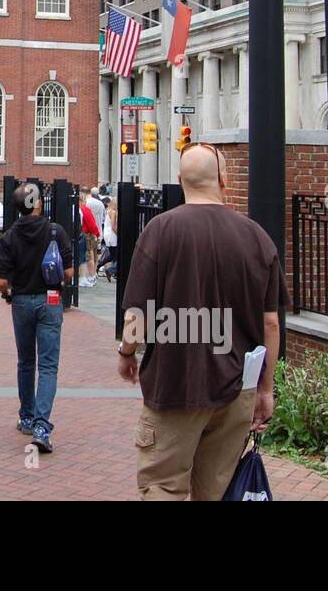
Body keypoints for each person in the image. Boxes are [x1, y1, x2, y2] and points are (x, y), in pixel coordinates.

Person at [117, 144, 284, 501]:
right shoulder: (257, 238)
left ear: (179, 182)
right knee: (216, 491)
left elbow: (137, 314)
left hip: (174, 386)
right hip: (235, 388)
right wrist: (265, 389)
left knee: (162, 485)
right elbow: (270, 323)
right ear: (224, 179)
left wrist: (127, 353)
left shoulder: (160, 231)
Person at [0, 183, 73, 454]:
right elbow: (69, 272)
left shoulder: (9, 237)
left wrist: (9, 293)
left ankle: (26, 416)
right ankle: (42, 426)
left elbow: (2, 281)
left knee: (26, 361)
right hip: (50, 300)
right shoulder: (55, 232)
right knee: (48, 366)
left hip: (21, 302)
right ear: (38, 203)